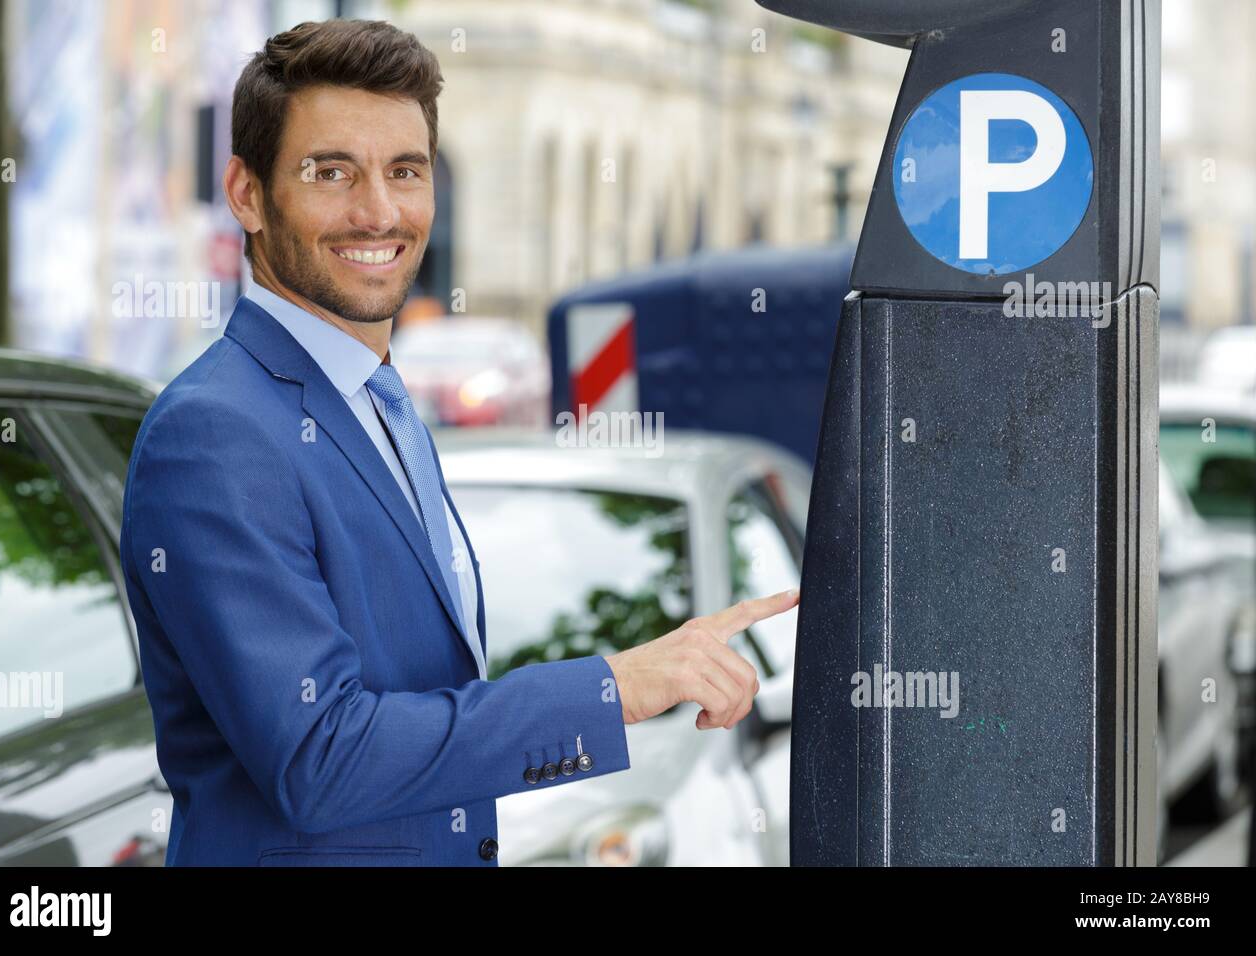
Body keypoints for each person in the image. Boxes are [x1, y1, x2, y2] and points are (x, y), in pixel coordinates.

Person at [119, 18, 799, 867]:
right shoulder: (213, 432)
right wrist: (610, 689)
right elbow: (318, 758)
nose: (379, 210)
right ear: (248, 192)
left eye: (405, 171)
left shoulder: (382, 403)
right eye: (330, 172)